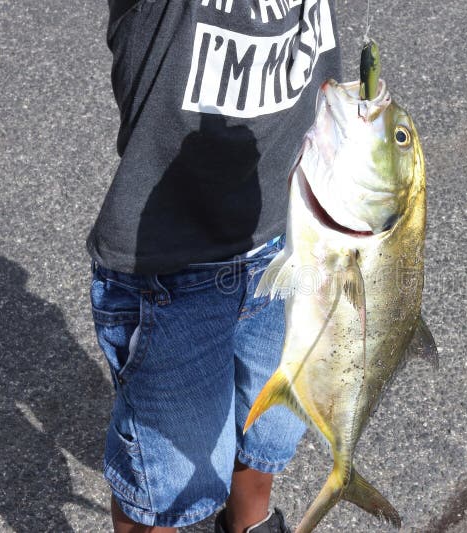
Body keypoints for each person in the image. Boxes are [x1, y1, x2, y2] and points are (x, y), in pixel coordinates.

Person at [86, 1, 341, 532]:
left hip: (292, 233)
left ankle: (249, 521)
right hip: (175, 270)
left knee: (271, 421)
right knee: (167, 478)